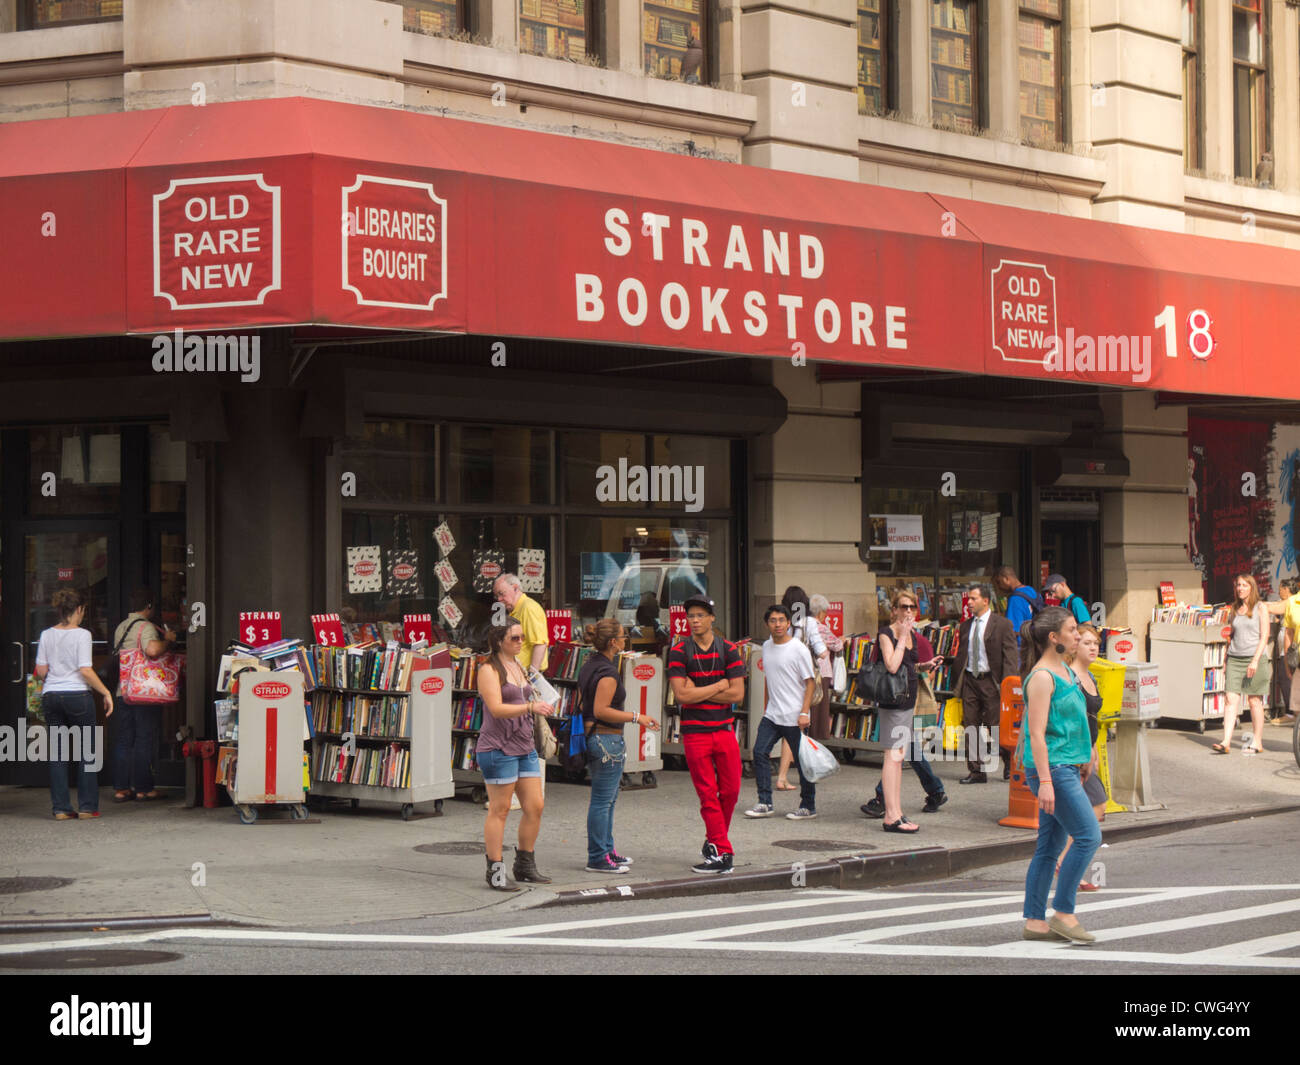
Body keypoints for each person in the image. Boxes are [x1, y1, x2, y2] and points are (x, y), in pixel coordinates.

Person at [1019, 606, 1101, 944]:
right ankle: (1063, 912)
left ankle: (1035, 921)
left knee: (1049, 846)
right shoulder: (1042, 677)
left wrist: (1087, 752)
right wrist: (1046, 783)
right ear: (1054, 638)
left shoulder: (1066, 670)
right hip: (1052, 769)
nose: (1078, 635)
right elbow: (1035, 734)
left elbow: (1075, 720)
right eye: (1071, 630)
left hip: (1067, 765)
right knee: (1088, 836)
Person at [667, 594, 746, 874]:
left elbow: (738, 693)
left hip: (724, 729)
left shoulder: (728, 649)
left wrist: (698, 691)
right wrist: (718, 685)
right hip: (695, 732)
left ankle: (713, 841)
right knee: (707, 794)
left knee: (732, 790)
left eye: (700, 615)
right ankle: (723, 852)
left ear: (712, 618)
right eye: (691, 616)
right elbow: (681, 695)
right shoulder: (679, 651)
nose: (695, 620)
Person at [476, 621, 554, 890]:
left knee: (535, 805)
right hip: (498, 745)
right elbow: (496, 708)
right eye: (515, 637)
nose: (521, 641)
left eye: (523, 637)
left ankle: (525, 863)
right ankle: (495, 870)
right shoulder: (488, 669)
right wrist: (531, 706)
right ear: (499, 641)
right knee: (501, 809)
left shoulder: (518, 665)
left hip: (524, 744)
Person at [578, 619, 660, 873]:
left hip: (596, 737)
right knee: (603, 801)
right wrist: (638, 717)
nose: (626, 641)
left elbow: (583, 705)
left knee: (607, 799)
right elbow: (601, 709)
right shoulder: (608, 672)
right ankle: (598, 856)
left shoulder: (589, 664)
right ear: (613, 642)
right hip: (607, 740)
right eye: (623, 637)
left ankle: (607, 850)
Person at [33, 588, 114, 820]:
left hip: (51, 696)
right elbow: (85, 670)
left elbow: (41, 671)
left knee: (57, 754)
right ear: (79, 609)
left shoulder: (46, 634)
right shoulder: (83, 635)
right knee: (86, 751)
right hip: (78, 695)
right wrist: (106, 692)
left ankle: (61, 809)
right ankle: (87, 807)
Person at [875, 587, 943, 833]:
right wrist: (903, 636)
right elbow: (892, 666)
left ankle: (896, 812)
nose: (908, 611)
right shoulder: (887, 633)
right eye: (903, 607)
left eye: (912, 607)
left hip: (907, 701)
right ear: (893, 610)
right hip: (893, 703)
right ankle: (891, 816)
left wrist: (925, 665)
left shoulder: (911, 635)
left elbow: (907, 666)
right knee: (892, 758)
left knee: (898, 757)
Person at [745, 604, 818, 821]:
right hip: (773, 715)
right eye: (773, 620)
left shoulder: (798, 648)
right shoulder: (766, 647)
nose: (778, 624)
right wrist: (768, 706)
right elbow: (770, 680)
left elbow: (810, 683)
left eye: (781, 620)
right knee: (759, 752)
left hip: (796, 716)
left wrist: (805, 712)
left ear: (788, 623)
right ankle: (765, 802)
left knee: (803, 762)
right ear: (767, 624)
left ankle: (808, 806)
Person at [111, 588, 178, 802]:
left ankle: (121, 788)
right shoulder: (146, 627)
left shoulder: (121, 626)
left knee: (124, 739)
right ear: (148, 606)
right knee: (144, 739)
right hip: (143, 692)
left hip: (124, 690)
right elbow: (152, 651)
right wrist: (168, 640)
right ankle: (144, 788)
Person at [951, 582, 1019, 784]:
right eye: (969, 599)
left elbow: (1010, 657)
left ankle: (1009, 763)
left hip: (992, 681)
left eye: (973, 598)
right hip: (971, 680)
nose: (969, 602)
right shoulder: (965, 626)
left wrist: (1008, 685)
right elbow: (962, 654)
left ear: (986, 601)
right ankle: (977, 771)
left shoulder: (1002, 624)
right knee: (970, 725)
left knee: (996, 726)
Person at [1058, 623, 1108, 894]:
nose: (1092, 648)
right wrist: (1084, 751)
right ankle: (1066, 863)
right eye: (1087, 643)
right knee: (1096, 807)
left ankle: (1066, 863)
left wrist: (1095, 750)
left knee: (1089, 810)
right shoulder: (1071, 677)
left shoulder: (1091, 677)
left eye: (1096, 644)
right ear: (1075, 646)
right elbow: (1070, 718)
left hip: (1087, 752)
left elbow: (1092, 718)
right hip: (1074, 755)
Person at [774, 585, 830, 790]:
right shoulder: (809, 623)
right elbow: (822, 651)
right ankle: (788, 775)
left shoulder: (781, 622)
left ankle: (790, 773)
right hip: (803, 679)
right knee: (797, 726)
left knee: (793, 725)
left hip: (784, 678)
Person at [1212, 574, 1270, 755]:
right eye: (1238, 585)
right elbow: (1231, 636)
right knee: (1230, 699)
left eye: (1244, 585)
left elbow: (1264, 636)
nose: (1240, 588)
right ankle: (1226, 741)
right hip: (1235, 658)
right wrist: (1225, 660)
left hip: (1254, 658)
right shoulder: (1234, 608)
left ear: (1251, 588)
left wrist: (1254, 660)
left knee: (1254, 701)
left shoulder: (1261, 608)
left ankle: (1257, 741)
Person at [493, 573, 549, 673]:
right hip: (517, 675)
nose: (499, 599)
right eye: (497, 595)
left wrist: (532, 676)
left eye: (501, 593)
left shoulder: (528, 608)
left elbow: (540, 644)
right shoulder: (516, 609)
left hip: (525, 675)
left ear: (515, 588)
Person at [1264, 580, 1295, 725]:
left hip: (1291, 651)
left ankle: (1291, 713)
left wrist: (1258, 605)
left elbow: (1275, 608)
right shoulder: (1287, 602)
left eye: (1281, 589)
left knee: (1286, 678)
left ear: (1287, 589)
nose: (1279, 592)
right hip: (1285, 649)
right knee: (1285, 678)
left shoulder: (1292, 602)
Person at [994, 565, 1040, 644]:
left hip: (1020, 649)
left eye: (999, 582)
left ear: (1006, 579)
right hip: (1034, 644)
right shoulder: (1031, 590)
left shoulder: (1015, 599)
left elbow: (1012, 631)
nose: (998, 587)